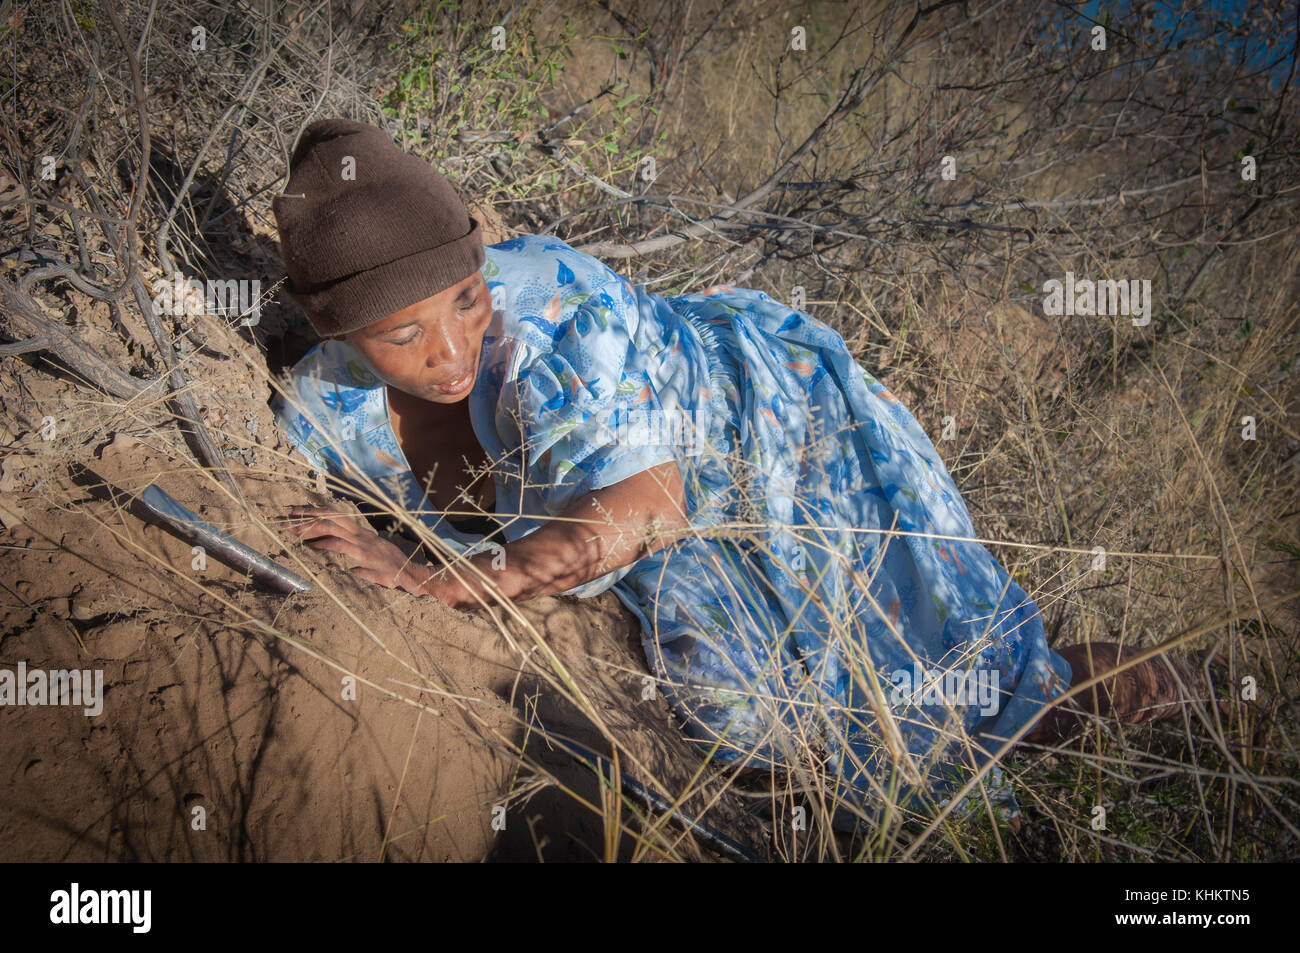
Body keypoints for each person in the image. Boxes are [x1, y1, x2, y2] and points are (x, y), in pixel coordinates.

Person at [270, 119, 1206, 830]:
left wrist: (451, 578)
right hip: (661, 527)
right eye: (403, 334)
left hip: (778, 427)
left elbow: (649, 505)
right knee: (748, 708)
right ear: (339, 332)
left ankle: (1185, 694)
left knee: (974, 666)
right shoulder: (327, 410)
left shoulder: (555, 320)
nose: (450, 349)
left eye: (467, 299)